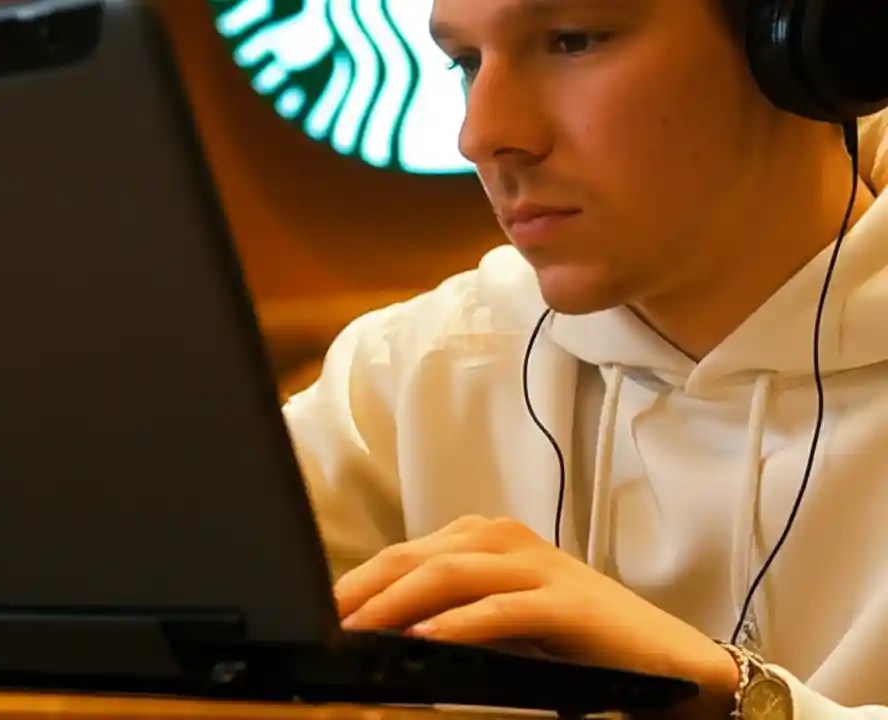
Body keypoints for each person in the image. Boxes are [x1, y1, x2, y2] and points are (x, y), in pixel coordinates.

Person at [282, 0, 888, 717]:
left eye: (572, 42)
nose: (482, 134)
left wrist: (734, 696)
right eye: (466, 63)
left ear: (805, 46)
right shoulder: (410, 374)